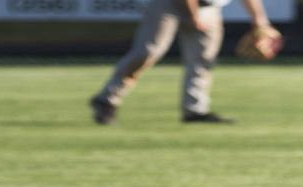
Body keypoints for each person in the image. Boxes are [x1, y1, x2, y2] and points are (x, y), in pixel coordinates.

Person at [90, 0, 279, 126]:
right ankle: (107, 99)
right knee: (148, 52)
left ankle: (195, 109)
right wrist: (194, 16)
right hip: (170, 4)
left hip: (208, 7)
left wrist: (259, 21)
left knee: (204, 59)